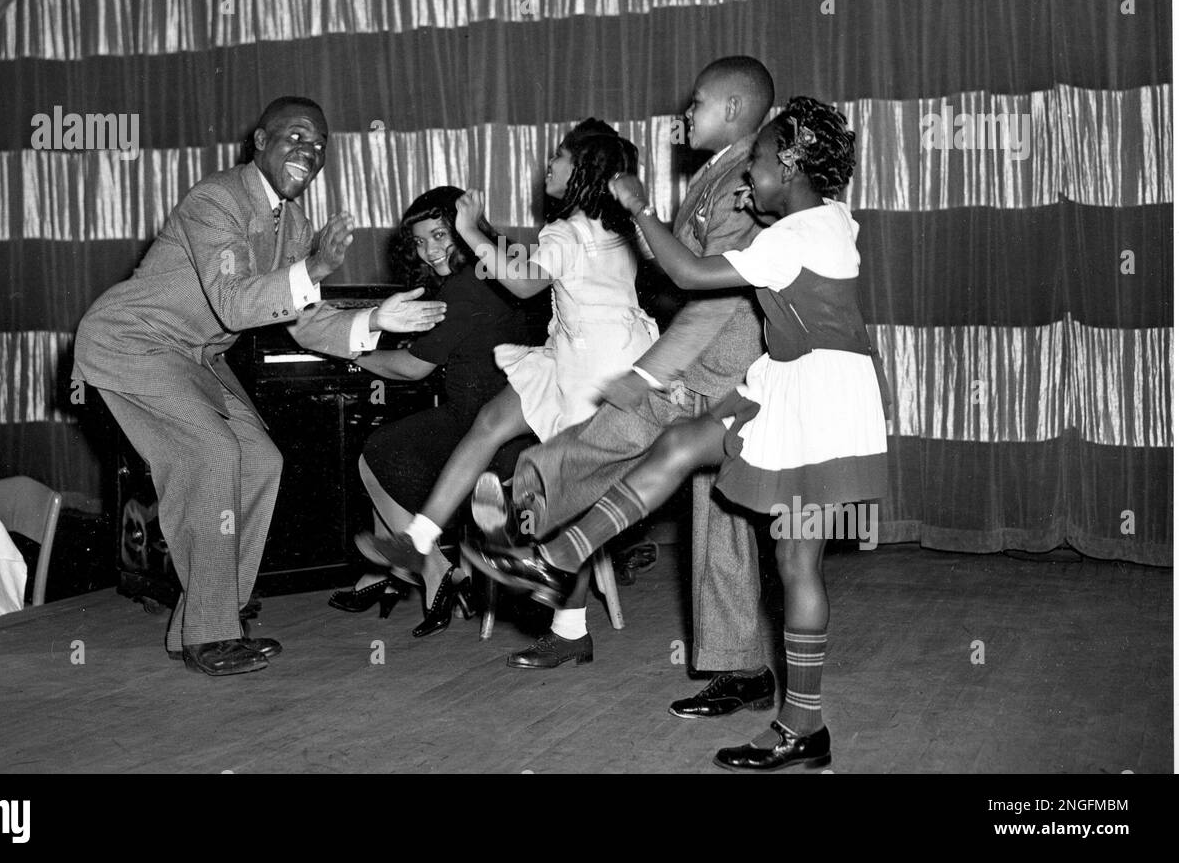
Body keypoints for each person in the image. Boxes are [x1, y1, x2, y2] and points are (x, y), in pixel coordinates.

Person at [468, 97, 888, 771]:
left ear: (789, 164)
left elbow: (690, 275)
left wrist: (639, 209)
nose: (748, 178)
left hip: (816, 405)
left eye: (757, 164)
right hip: (797, 384)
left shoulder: (792, 239)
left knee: (795, 563)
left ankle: (803, 726)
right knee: (679, 446)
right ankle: (560, 555)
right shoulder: (829, 218)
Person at [73, 97, 446, 677]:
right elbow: (233, 302)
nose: (309, 151)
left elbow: (304, 321)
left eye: (319, 144)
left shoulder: (293, 225)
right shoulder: (216, 199)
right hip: (135, 340)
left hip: (196, 355)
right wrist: (314, 269)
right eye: (296, 136)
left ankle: (198, 625)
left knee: (261, 461)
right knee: (214, 455)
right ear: (260, 141)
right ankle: (212, 635)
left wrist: (376, 319)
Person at [476, 56, 780, 682]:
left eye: (697, 101)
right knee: (646, 466)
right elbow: (679, 268)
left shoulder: (746, 184)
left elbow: (713, 295)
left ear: (732, 109)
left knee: (715, 519)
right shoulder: (717, 175)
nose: (686, 112)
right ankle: (529, 526)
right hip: (695, 364)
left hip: (721, 371)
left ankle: (527, 528)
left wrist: (646, 373)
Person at [356, 120, 659, 662]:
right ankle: (420, 538)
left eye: (560, 157)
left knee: (568, 501)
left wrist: (471, 231)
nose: (549, 164)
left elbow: (522, 282)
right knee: (493, 421)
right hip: (589, 353)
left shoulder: (569, 232)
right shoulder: (612, 228)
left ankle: (569, 629)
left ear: (583, 173)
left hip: (592, 370)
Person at [327, 186, 534, 637]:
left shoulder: (464, 286)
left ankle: (432, 571)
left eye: (440, 235)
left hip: (488, 433)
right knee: (391, 445)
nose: (430, 250)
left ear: (466, 229)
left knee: (377, 452)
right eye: (420, 241)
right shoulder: (495, 269)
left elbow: (412, 368)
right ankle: (401, 571)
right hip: (511, 420)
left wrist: (350, 352)